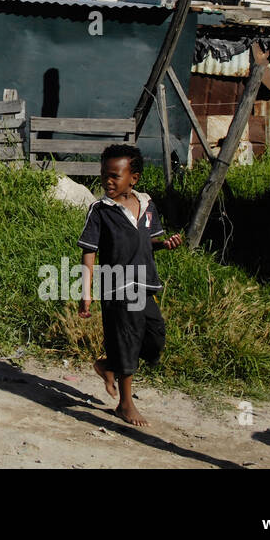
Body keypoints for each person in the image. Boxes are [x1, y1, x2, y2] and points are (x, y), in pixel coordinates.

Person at [77, 144, 183, 427]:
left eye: (114, 175)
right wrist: (85, 293)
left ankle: (107, 365)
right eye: (104, 174)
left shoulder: (147, 205)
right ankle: (125, 404)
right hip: (117, 286)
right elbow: (89, 252)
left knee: (154, 338)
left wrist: (165, 244)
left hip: (144, 284)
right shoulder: (100, 211)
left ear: (133, 178)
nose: (107, 181)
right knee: (126, 338)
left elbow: (147, 242)